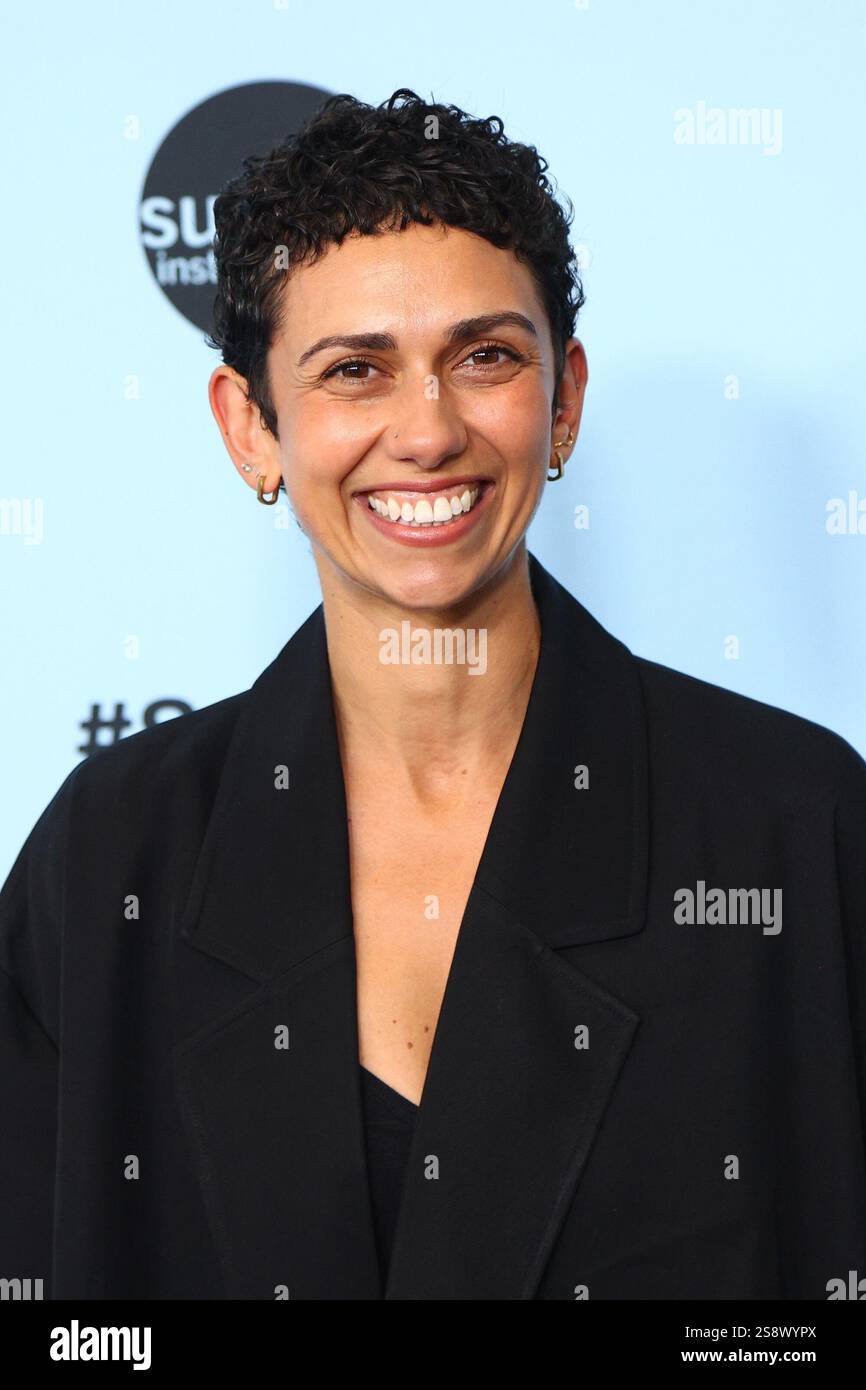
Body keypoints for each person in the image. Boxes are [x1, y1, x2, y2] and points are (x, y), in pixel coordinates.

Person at [1, 88, 864, 1301]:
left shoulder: (793, 824)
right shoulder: (110, 855)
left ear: (560, 399)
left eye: (484, 358)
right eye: (355, 370)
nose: (426, 430)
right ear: (251, 430)